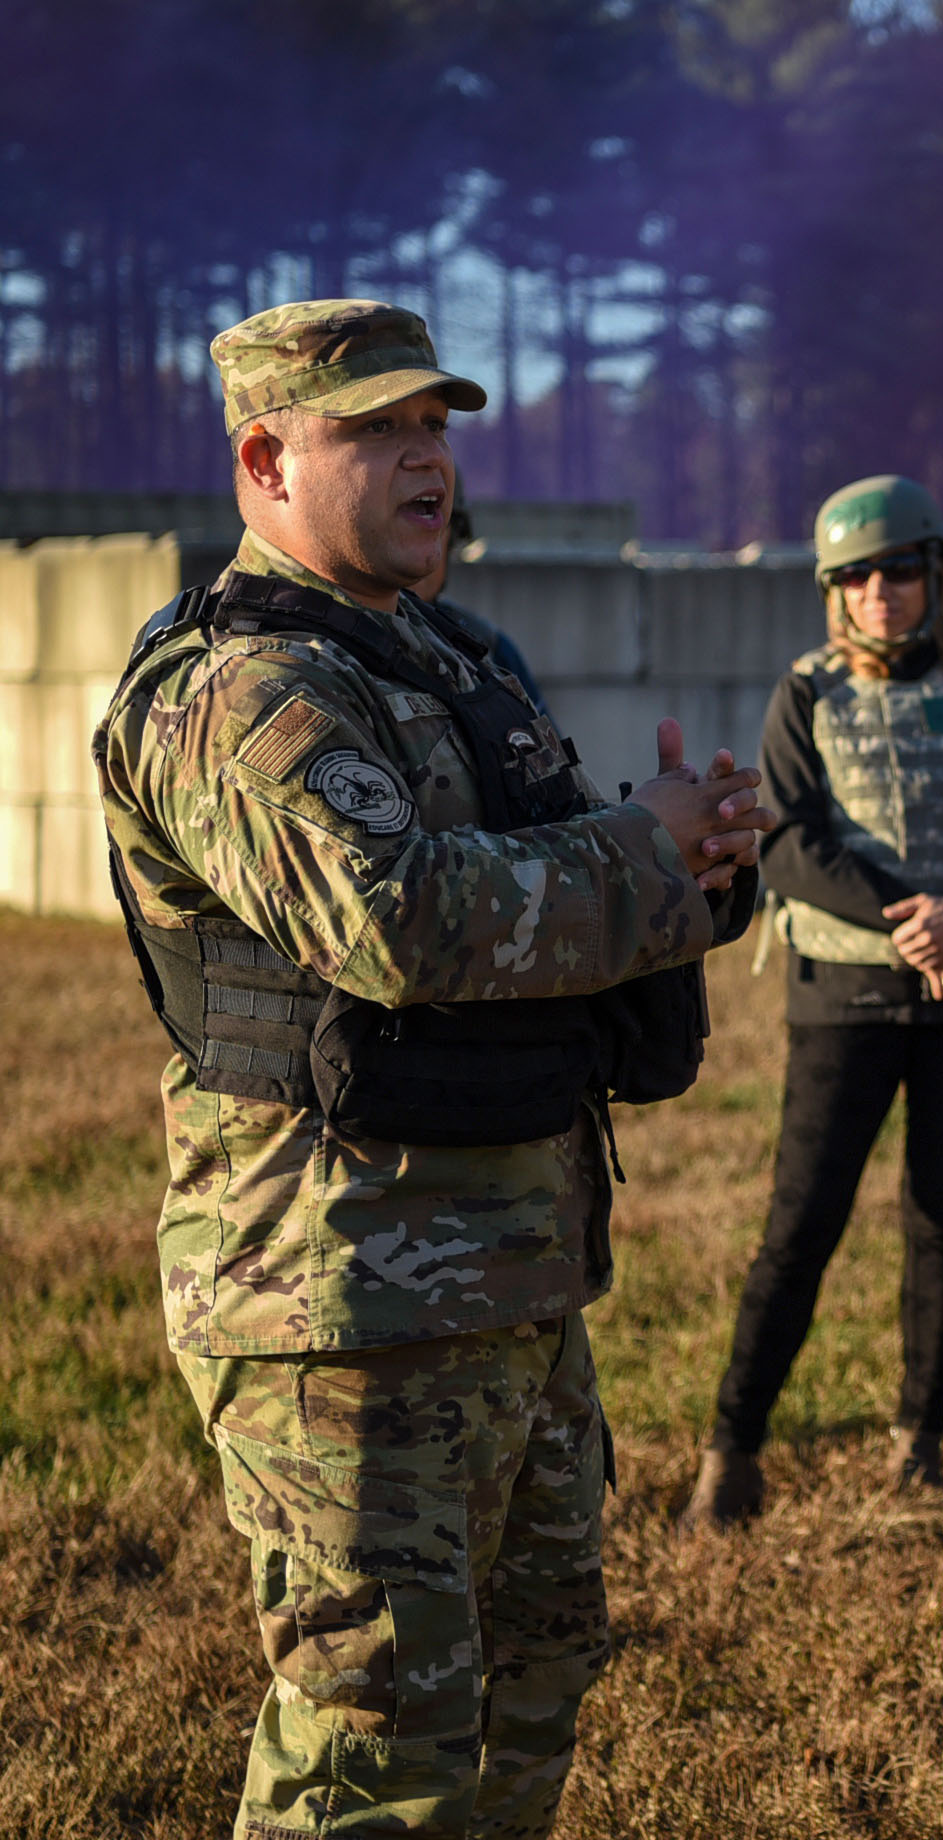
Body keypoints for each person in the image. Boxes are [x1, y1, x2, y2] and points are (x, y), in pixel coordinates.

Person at [95, 299, 768, 1839]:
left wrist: (695, 868)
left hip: (512, 1271)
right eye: (377, 430)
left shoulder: (451, 656)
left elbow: (547, 899)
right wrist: (637, 852)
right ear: (267, 462)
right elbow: (391, 921)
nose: (428, 461)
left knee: (537, 1670)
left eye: (435, 426)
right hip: (340, 1300)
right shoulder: (242, 692)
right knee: (379, 1739)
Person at [679, 477, 943, 1529]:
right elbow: (785, 840)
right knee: (800, 1224)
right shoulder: (807, 692)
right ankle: (732, 1451)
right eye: (854, 575)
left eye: (898, 569)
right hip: (845, 996)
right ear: (833, 590)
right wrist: (914, 919)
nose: (877, 590)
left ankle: (920, 1443)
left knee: (940, 1218)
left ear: (936, 576)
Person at [418, 470, 547, 710]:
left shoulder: (487, 648)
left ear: (453, 536)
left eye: (429, 521)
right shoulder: (344, 649)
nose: (415, 548)